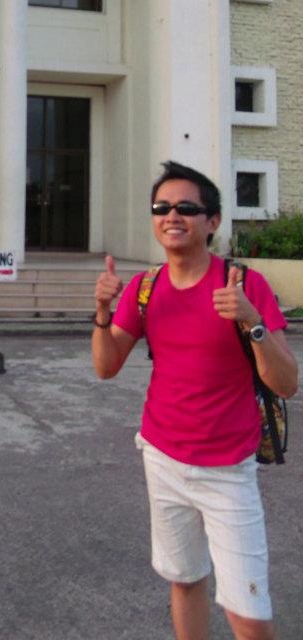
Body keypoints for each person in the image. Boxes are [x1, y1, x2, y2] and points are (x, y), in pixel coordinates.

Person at [92, 160, 298, 640]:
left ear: (213, 221)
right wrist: (102, 312)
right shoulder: (146, 288)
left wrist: (252, 321)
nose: (172, 215)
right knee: (184, 581)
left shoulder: (244, 285)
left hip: (228, 469)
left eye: (187, 207)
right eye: (162, 207)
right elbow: (106, 366)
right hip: (162, 459)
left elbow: (286, 382)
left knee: (248, 617)